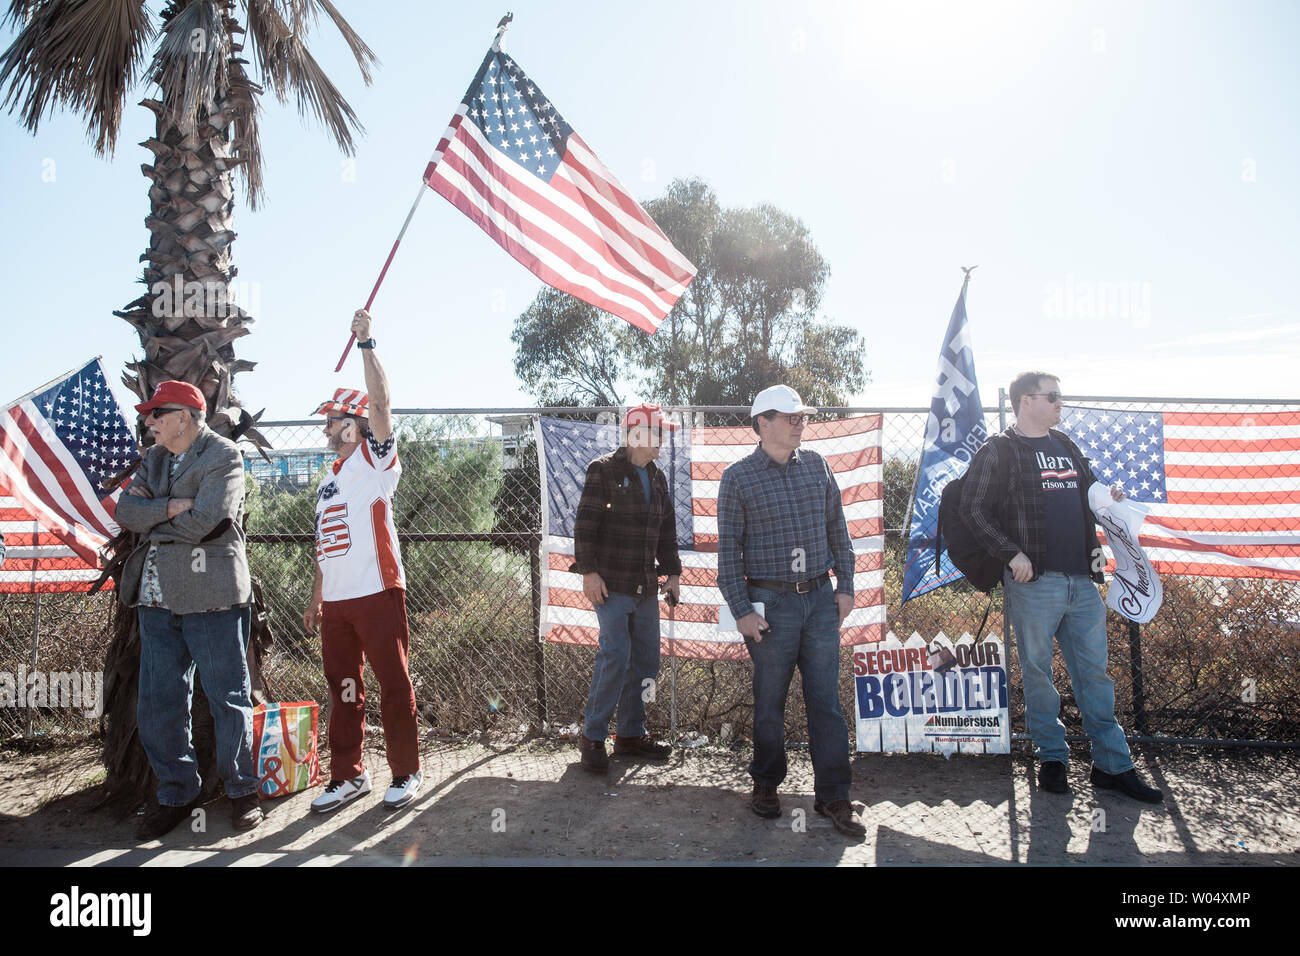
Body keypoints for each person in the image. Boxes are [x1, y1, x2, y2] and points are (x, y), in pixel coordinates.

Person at [960, 371, 1163, 803]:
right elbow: (972, 508)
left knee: (1094, 675)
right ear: (1025, 401)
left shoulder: (1066, 445)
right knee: (1038, 674)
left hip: (1085, 580)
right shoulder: (999, 450)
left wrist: (1111, 494)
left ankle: (1112, 764)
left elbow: (1089, 491)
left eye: (1059, 395)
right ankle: (1052, 759)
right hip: (1036, 583)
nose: (1059, 402)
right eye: (1052, 396)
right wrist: (1010, 553)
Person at [716, 385, 865, 838]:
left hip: (820, 600)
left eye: (804, 417)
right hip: (771, 607)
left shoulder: (818, 466)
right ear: (763, 422)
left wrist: (847, 588)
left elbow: (838, 532)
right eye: (792, 417)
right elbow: (728, 556)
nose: (801, 423)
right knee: (769, 700)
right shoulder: (737, 478)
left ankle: (834, 796)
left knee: (826, 702)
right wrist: (742, 610)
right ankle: (765, 783)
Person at [116, 380, 261, 839]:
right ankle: (178, 793)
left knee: (228, 698)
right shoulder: (155, 458)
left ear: (184, 416)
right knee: (159, 703)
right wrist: (172, 507)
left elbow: (208, 521)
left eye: (157, 413)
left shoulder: (222, 455)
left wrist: (155, 516)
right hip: (155, 601)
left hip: (212, 597)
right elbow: (125, 513)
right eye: (149, 414)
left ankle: (243, 791)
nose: (149, 421)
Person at [302, 309, 422, 813]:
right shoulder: (329, 480)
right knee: (344, 688)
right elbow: (322, 548)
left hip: (377, 592)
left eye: (332, 419)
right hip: (338, 603)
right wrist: (317, 600)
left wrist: (366, 343)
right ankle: (349, 775)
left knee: (393, 682)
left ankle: (406, 771)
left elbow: (383, 402)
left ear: (353, 422)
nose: (326, 426)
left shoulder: (375, 462)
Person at [570, 404, 683, 772]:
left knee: (647, 660)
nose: (663, 440)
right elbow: (585, 526)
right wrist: (588, 572)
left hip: (646, 588)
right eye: (658, 432)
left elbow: (666, 531)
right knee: (616, 654)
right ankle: (593, 737)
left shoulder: (658, 477)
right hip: (611, 586)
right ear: (637, 434)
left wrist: (673, 575)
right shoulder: (602, 470)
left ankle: (631, 735)